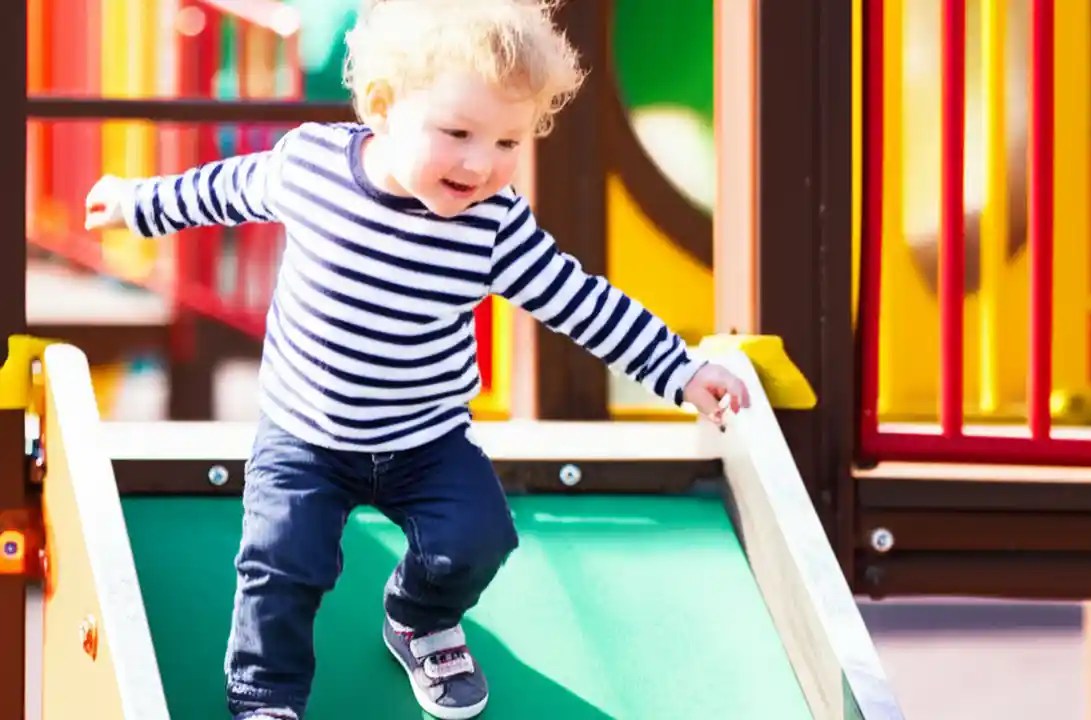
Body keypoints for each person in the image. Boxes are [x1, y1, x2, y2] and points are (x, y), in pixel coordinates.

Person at [83, 1, 750, 718]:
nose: (480, 163)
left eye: (507, 141)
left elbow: (579, 299)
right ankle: (265, 696)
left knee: (478, 539)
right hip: (304, 436)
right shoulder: (312, 169)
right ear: (382, 107)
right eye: (458, 132)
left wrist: (678, 368)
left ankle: (419, 617)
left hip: (425, 437)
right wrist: (133, 203)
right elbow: (220, 190)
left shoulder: (495, 225)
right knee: (279, 564)